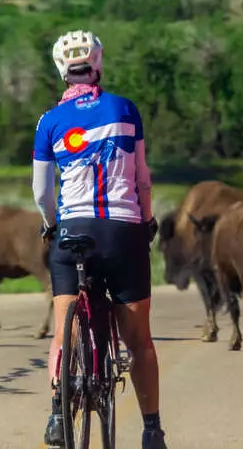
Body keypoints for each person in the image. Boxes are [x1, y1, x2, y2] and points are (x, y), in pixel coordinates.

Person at [33, 30, 164, 449]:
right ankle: (152, 430)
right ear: (99, 63)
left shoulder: (49, 121)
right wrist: (145, 220)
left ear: (61, 70)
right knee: (139, 340)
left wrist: (53, 223)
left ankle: (57, 413)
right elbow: (142, 178)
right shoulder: (125, 109)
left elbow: (41, 192)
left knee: (61, 330)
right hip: (123, 230)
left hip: (72, 231)